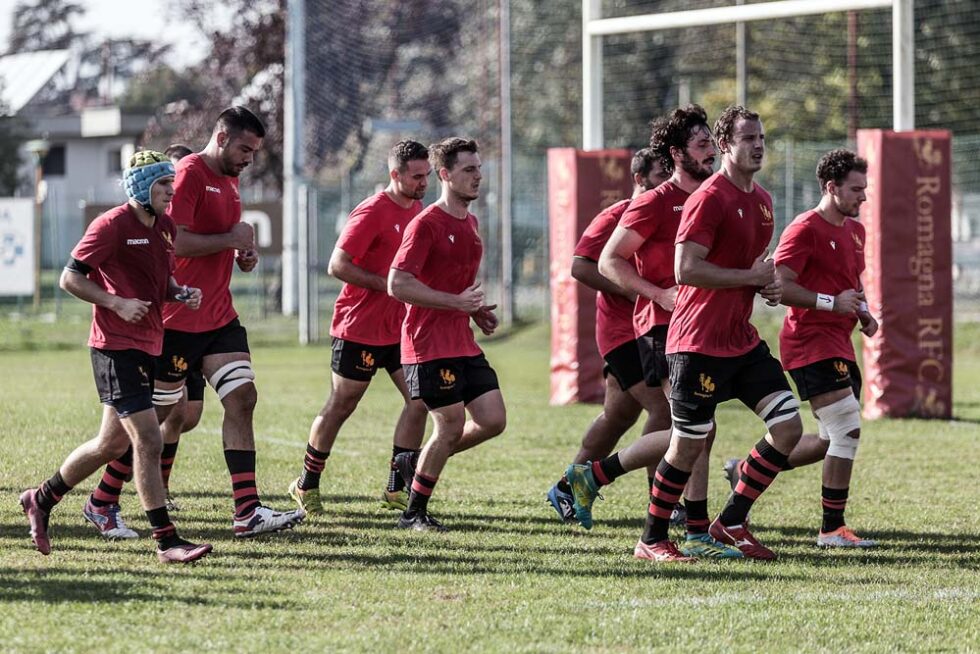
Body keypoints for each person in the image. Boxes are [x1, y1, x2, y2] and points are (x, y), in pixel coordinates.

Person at [88, 107, 305, 538]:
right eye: (244, 148)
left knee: (242, 397)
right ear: (221, 138)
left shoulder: (230, 180)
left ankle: (247, 511)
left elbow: (222, 244)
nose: (249, 158)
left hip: (218, 318)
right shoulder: (187, 173)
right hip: (175, 321)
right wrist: (229, 239)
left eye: (255, 151)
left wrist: (244, 253)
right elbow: (175, 239)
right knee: (155, 421)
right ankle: (103, 497)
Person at [563, 106, 740, 559]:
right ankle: (606, 483)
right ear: (672, 158)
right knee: (688, 426)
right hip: (650, 328)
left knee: (640, 419)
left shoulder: (712, 197)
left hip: (698, 326)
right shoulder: (644, 205)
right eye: (701, 146)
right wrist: (654, 294)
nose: (710, 154)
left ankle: (688, 523)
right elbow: (594, 263)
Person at [19, 150, 211, 563]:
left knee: (109, 444)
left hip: (148, 345)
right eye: (163, 185)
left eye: (171, 184)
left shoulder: (166, 228)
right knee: (147, 439)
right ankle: (167, 541)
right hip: (114, 346)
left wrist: (179, 292)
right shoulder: (110, 224)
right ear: (141, 187)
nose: (170, 192)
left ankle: (41, 498)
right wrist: (116, 303)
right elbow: (69, 277)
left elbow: (159, 280)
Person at [637, 105, 803, 562]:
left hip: (741, 340)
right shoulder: (709, 197)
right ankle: (651, 539)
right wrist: (750, 277)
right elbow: (685, 268)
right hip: (697, 342)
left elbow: (751, 270)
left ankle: (730, 521)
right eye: (748, 138)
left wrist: (767, 284)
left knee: (788, 425)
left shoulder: (764, 201)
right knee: (687, 444)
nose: (758, 145)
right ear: (725, 144)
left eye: (762, 138)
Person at [724, 149, 878, 548]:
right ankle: (831, 529)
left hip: (839, 343)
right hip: (810, 342)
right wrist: (831, 303)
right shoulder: (804, 228)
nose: (864, 197)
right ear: (831, 187)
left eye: (865, 188)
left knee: (830, 439)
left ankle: (746, 468)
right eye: (856, 189)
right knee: (847, 429)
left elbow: (849, 285)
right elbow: (781, 286)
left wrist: (864, 313)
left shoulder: (854, 231)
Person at [287, 140, 431, 515]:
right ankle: (307, 484)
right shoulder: (372, 211)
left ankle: (396, 489)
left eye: (426, 175)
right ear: (394, 174)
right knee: (342, 404)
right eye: (416, 176)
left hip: (399, 329)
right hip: (359, 328)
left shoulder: (418, 210)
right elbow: (338, 265)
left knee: (419, 401)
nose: (423, 183)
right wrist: (386, 283)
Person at [387, 137, 506, 531]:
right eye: (468, 170)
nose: (478, 176)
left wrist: (476, 313)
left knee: (493, 420)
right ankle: (413, 513)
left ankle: (415, 459)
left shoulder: (470, 223)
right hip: (427, 345)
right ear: (445, 175)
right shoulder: (426, 224)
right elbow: (397, 283)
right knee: (451, 424)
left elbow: (459, 288)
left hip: (461, 341)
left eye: (479, 168)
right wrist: (455, 303)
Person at [545, 148, 669, 525]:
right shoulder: (615, 216)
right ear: (639, 178)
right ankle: (663, 499)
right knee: (666, 412)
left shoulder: (668, 218)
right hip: (622, 334)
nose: (667, 181)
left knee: (618, 416)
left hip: (651, 328)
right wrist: (633, 290)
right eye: (661, 173)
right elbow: (580, 266)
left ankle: (567, 486)